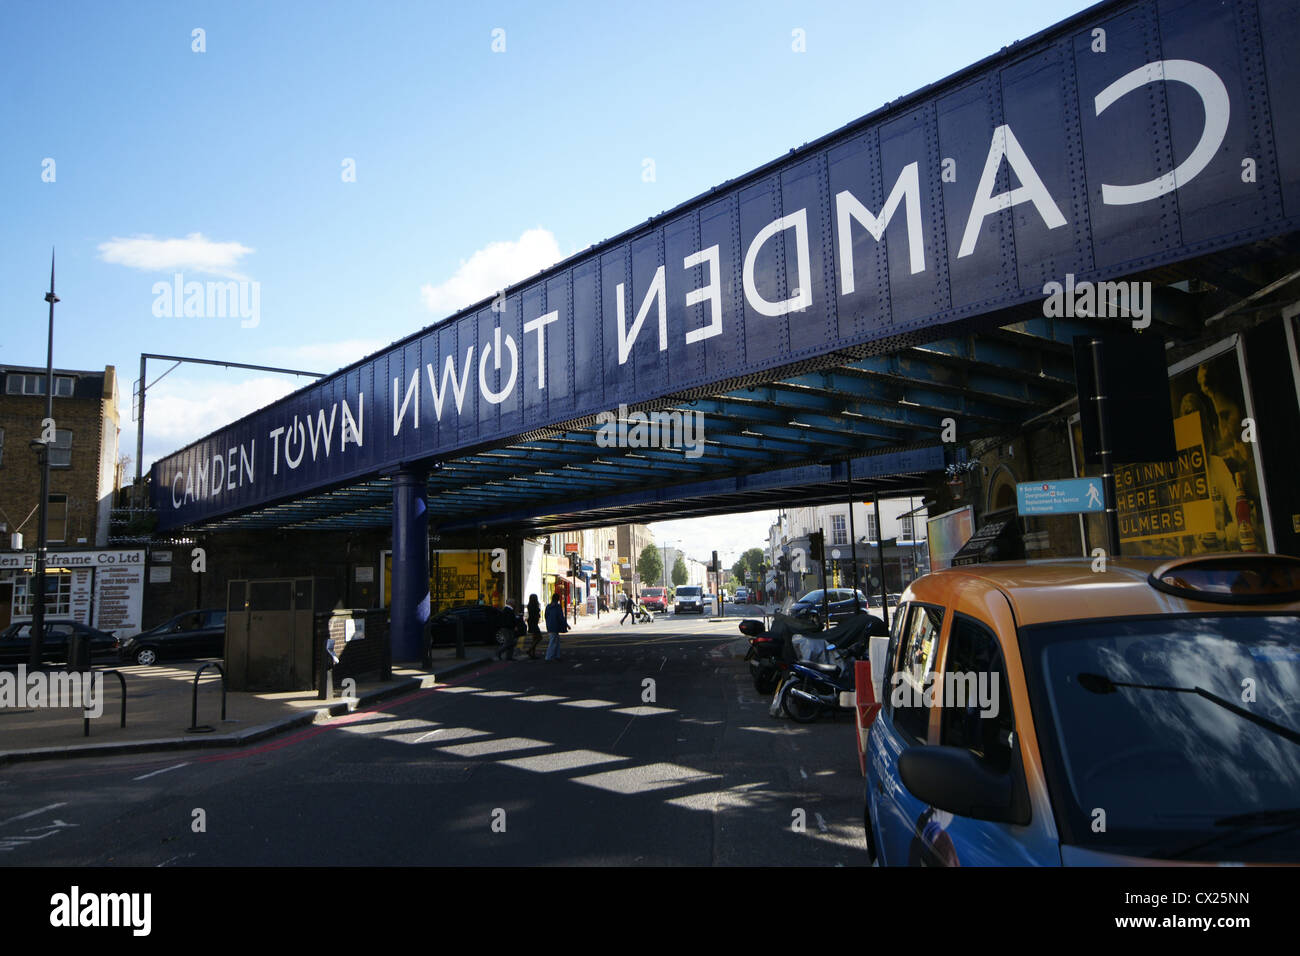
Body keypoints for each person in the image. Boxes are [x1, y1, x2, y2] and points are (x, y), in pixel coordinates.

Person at [544, 591, 569, 661]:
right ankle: (549, 656)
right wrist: (566, 624)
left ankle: (556, 655)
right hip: (555, 626)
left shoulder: (548, 606)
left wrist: (548, 622)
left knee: (556, 641)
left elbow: (546, 616)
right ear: (558, 599)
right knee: (553, 642)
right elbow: (561, 617)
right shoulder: (558, 607)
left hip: (549, 625)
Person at [525, 594, 544, 658]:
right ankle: (530, 650)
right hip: (533, 623)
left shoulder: (529, 605)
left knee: (534, 638)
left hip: (531, 622)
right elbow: (536, 613)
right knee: (539, 637)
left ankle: (533, 654)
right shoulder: (534, 606)